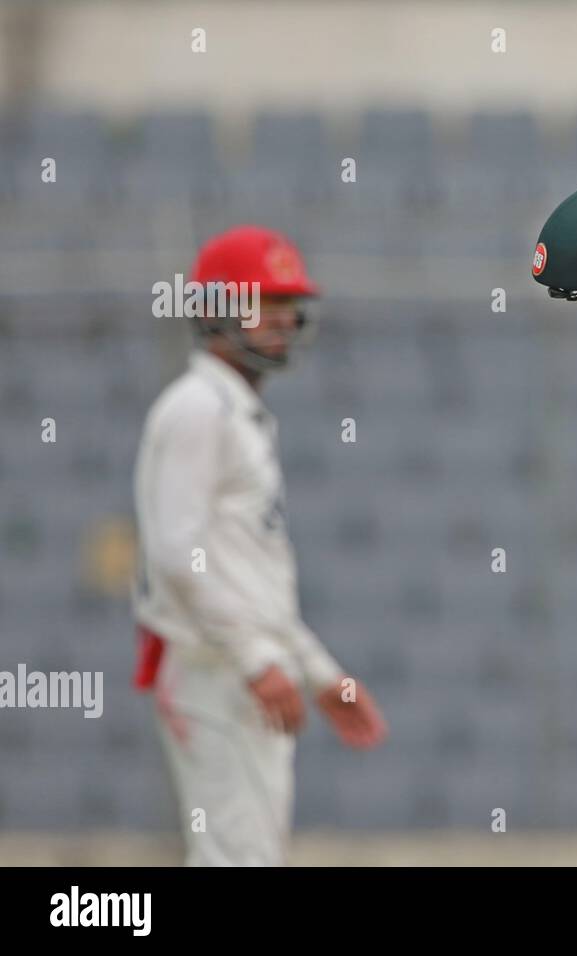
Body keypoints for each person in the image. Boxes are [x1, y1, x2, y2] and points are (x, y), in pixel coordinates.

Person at [132, 224, 388, 865]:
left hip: (240, 673)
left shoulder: (237, 413)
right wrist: (254, 660)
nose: (279, 321)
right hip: (213, 672)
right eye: (262, 305)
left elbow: (250, 577)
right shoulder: (198, 409)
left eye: (286, 307)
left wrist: (319, 672)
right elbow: (174, 555)